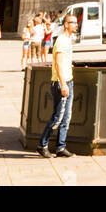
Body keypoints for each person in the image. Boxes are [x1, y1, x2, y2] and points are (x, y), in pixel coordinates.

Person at [38, 12, 78, 157]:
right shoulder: (61, 40)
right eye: (73, 22)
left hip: (68, 81)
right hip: (61, 83)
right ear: (66, 25)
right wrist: (63, 84)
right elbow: (58, 63)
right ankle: (42, 145)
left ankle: (60, 147)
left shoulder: (67, 40)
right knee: (58, 117)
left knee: (66, 117)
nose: (76, 25)